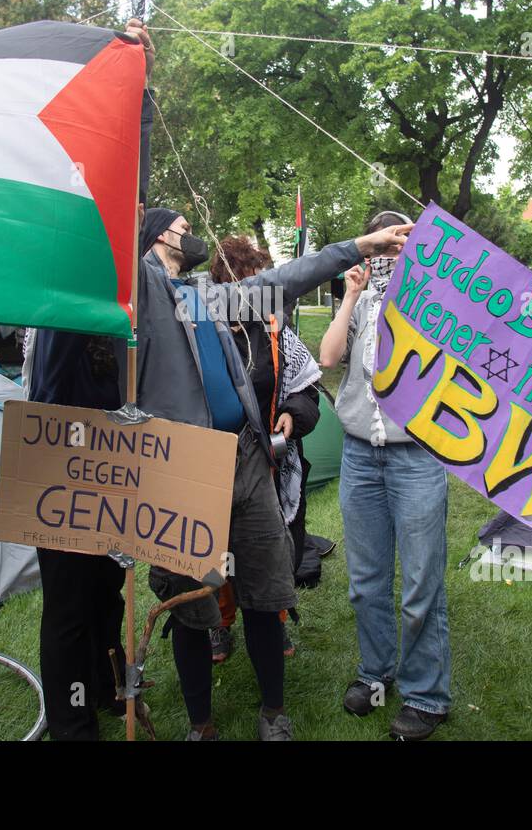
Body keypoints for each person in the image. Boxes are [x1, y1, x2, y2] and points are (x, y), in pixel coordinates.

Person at [139, 207, 411, 740]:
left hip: (245, 462)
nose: (189, 234)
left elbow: (280, 280)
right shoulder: (143, 299)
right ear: (148, 240)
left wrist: (362, 246)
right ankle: (201, 725)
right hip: (182, 470)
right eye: (178, 230)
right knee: (193, 602)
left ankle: (273, 714)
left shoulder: (204, 295)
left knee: (266, 589)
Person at [23, 18, 154, 741]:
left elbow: (128, 184)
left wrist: (141, 94)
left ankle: (104, 688)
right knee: (70, 603)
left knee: (106, 584)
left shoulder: (114, 290)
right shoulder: (67, 290)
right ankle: (72, 722)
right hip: (59, 456)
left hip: (109, 455)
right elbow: (114, 191)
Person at [319, 208, 452, 741]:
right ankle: (376, 674)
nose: (385, 259)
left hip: (416, 457)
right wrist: (349, 295)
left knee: (421, 582)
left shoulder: (433, 306)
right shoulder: (358, 300)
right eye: (378, 249)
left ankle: (427, 696)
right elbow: (329, 359)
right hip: (358, 456)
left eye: (398, 247)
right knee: (365, 581)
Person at [206, 235, 324, 665]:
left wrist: (293, 414)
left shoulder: (277, 329)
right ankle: (219, 623)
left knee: (270, 546)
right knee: (215, 545)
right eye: (251, 280)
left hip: (271, 463)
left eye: (264, 279)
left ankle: (272, 618)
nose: (260, 289)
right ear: (227, 283)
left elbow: (307, 389)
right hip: (215, 461)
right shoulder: (204, 332)